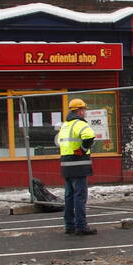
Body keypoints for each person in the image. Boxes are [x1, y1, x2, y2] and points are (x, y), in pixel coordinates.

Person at [56, 98, 98, 236]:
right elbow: (90, 136)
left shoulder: (65, 125)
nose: (85, 112)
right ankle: (81, 226)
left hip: (66, 165)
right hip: (78, 165)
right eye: (84, 110)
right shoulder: (79, 124)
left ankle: (70, 225)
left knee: (69, 196)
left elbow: (58, 142)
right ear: (80, 111)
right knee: (80, 197)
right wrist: (83, 149)